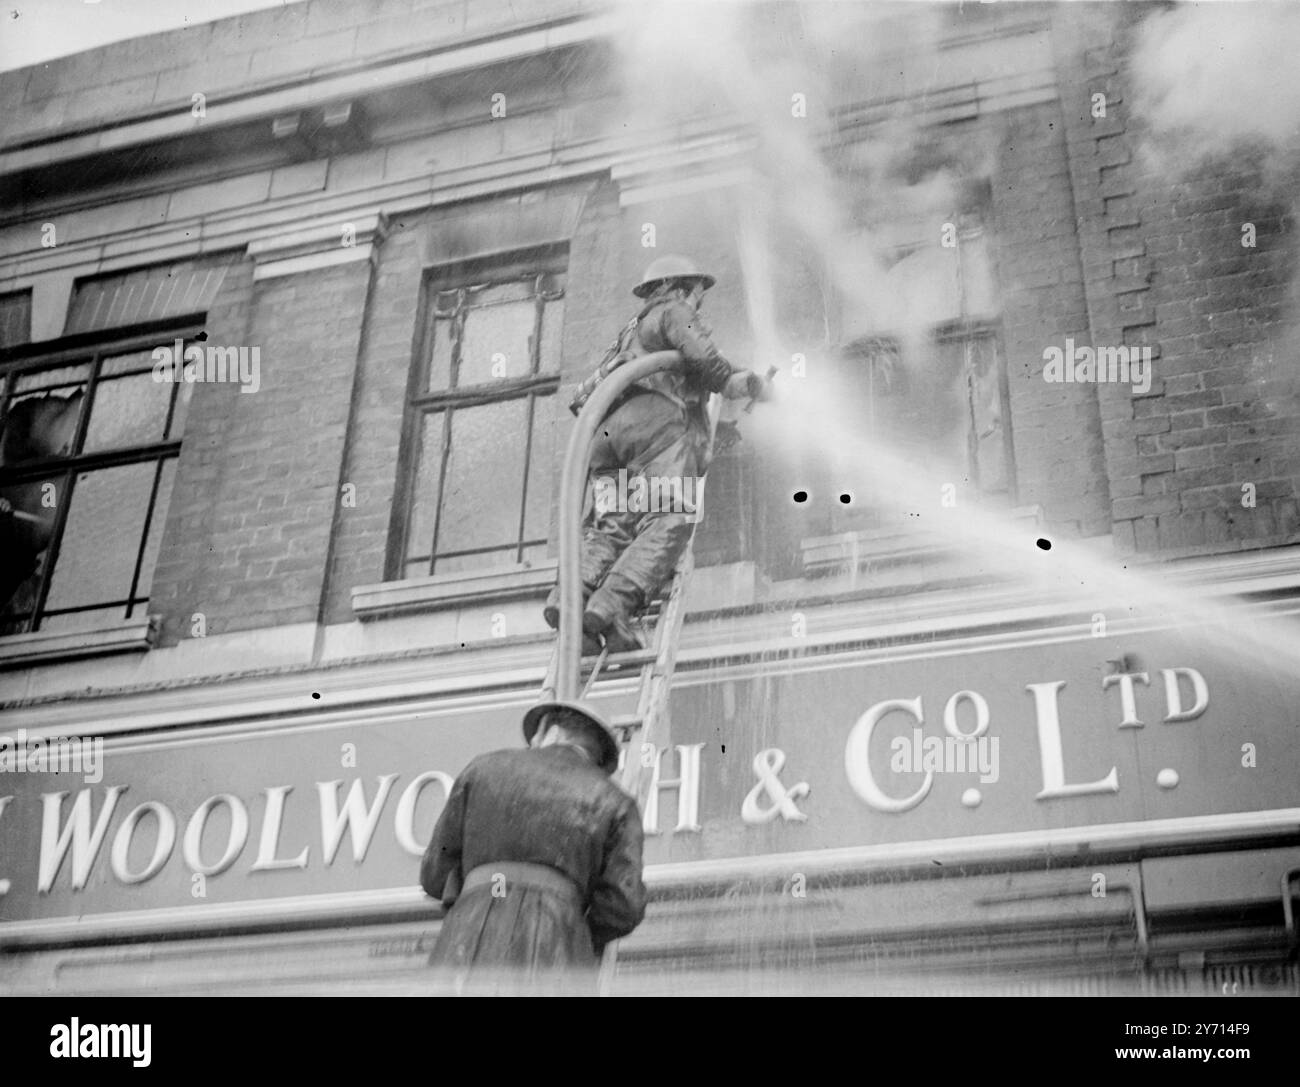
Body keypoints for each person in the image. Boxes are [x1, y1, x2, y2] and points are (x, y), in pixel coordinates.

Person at [545, 255, 769, 652]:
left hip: (606, 433)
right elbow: (701, 357)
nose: (698, 305)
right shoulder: (674, 310)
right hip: (651, 425)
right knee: (672, 514)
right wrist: (732, 381)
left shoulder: (630, 332)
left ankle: (571, 596)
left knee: (612, 523)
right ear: (681, 288)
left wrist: (737, 386)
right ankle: (612, 605)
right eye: (698, 296)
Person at [420, 699, 646, 984]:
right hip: (557, 953)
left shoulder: (481, 769)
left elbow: (433, 874)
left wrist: (476, 896)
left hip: (462, 947)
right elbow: (622, 907)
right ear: (598, 756)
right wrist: (571, 925)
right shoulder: (617, 801)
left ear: (548, 731)